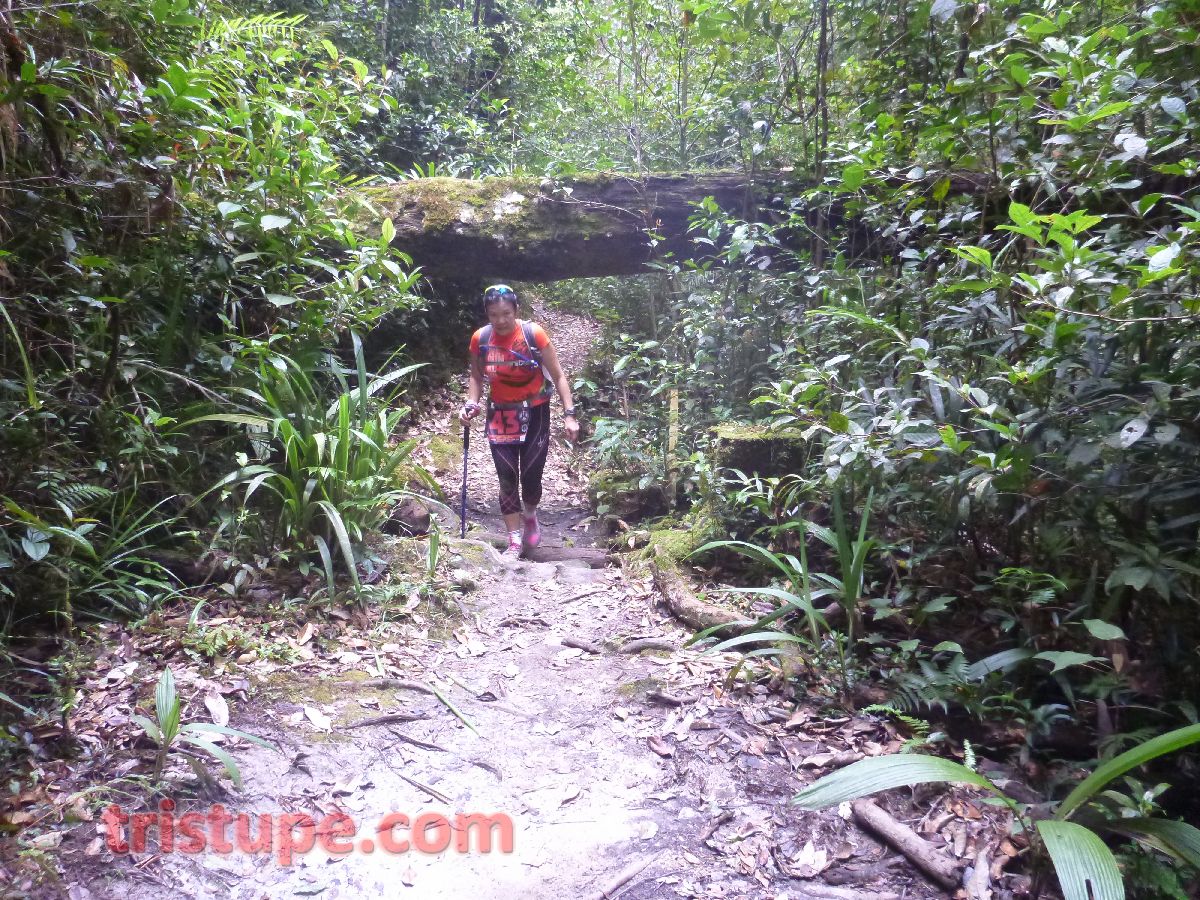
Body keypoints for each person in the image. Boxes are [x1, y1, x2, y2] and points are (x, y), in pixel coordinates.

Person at [459, 285, 580, 559]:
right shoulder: (481, 339)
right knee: (506, 477)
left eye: (506, 314)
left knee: (531, 477)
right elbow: (477, 377)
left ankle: (530, 514)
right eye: (493, 314)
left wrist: (569, 414)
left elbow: (558, 376)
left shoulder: (533, 335)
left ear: (516, 311)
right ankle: (514, 542)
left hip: (536, 411)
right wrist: (471, 404)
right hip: (500, 414)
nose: (500, 320)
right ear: (487, 314)